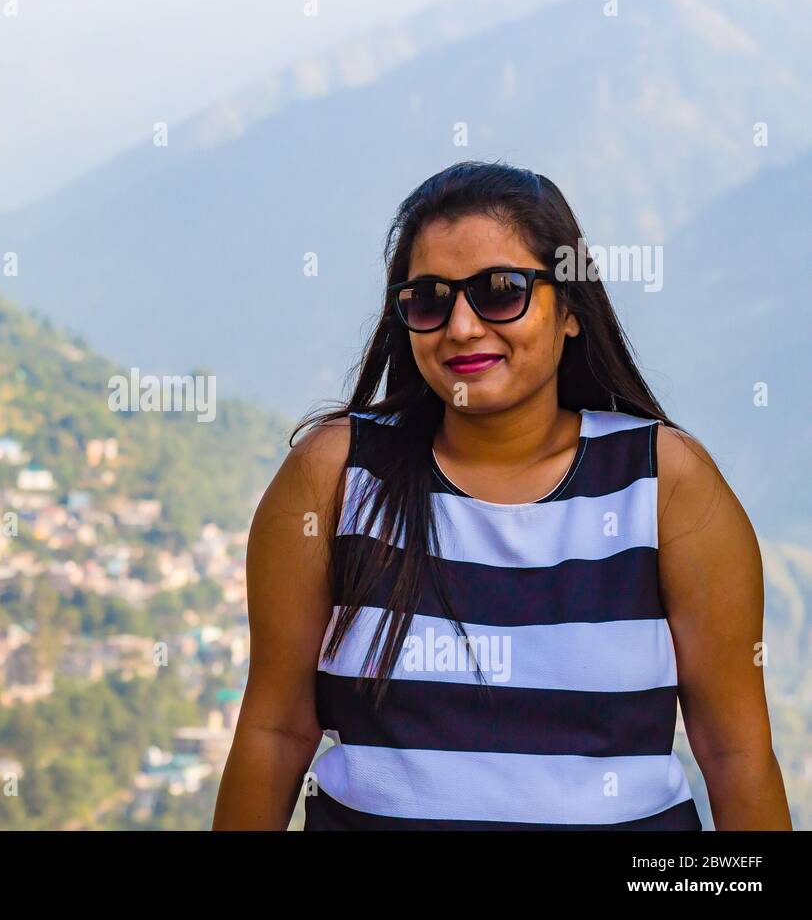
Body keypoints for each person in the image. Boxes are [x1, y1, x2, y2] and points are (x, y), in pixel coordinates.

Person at [212, 161, 791, 830]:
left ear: (570, 309)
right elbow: (276, 732)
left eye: (499, 291)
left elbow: (735, 754)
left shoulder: (664, 484)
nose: (460, 326)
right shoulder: (336, 476)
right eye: (429, 299)